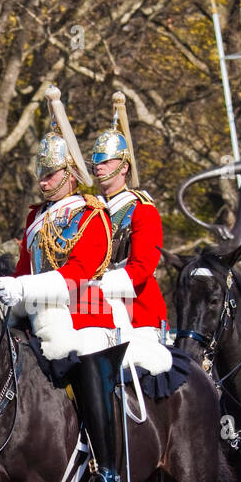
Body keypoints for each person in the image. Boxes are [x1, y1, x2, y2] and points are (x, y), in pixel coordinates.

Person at [0, 86, 122, 482]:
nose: (43, 182)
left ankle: (108, 469)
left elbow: (80, 274)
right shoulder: (36, 218)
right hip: (36, 317)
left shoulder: (92, 214)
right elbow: (24, 269)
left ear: (69, 173)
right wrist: (3, 294)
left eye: (50, 174)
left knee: (84, 363)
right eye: (40, 175)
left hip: (85, 315)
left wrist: (24, 288)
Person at [90, 91, 168, 342]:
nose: (98, 166)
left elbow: (143, 265)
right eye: (96, 161)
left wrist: (103, 285)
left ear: (124, 166)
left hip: (136, 308)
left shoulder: (142, 208)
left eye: (106, 161)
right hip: (91, 304)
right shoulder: (89, 209)